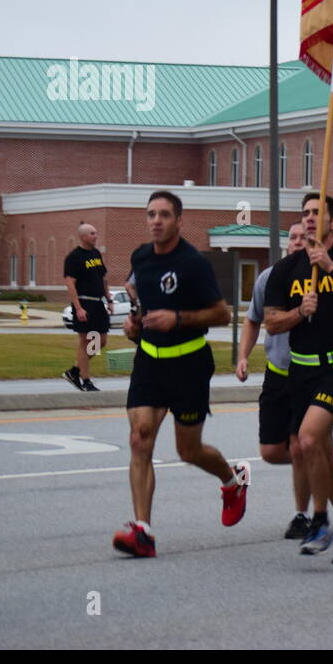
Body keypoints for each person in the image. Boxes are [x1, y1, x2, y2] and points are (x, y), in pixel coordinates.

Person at [113, 191, 245, 558]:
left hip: (188, 363)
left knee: (188, 450)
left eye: (164, 215)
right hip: (150, 361)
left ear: (178, 220)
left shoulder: (192, 263)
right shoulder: (140, 257)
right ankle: (143, 531)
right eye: (151, 214)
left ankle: (231, 481)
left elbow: (222, 314)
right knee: (140, 439)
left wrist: (178, 319)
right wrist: (133, 322)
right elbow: (141, 299)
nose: (156, 221)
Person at [263, 192, 333, 563]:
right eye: (306, 213)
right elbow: (271, 320)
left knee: (309, 438)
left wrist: (331, 268)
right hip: (301, 368)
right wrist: (300, 311)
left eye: (318, 213)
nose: (310, 218)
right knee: (319, 452)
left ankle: (319, 520)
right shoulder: (287, 268)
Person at [237, 222, 310, 538]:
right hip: (276, 373)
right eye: (292, 237)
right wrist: (242, 357)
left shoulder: (318, 279)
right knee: (269, 451)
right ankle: (314, 465)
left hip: (308, 375)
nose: (296, 242)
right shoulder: (269, 277)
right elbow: (253, 320)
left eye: (303, 238)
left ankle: (302, 516)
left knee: (298, 444)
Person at [62, 223, 114, 392]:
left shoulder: (96, 254)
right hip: (84, 303)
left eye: (96, 232)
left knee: (101, 341)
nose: (96, 236)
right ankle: (86, 381)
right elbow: (70, 283)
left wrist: (109, 300)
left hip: (98, 303)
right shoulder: (74, 257)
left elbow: (103, 279)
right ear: (83, 237)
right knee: (86, 342)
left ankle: (74, 370)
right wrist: (78, 308)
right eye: (92, 233)